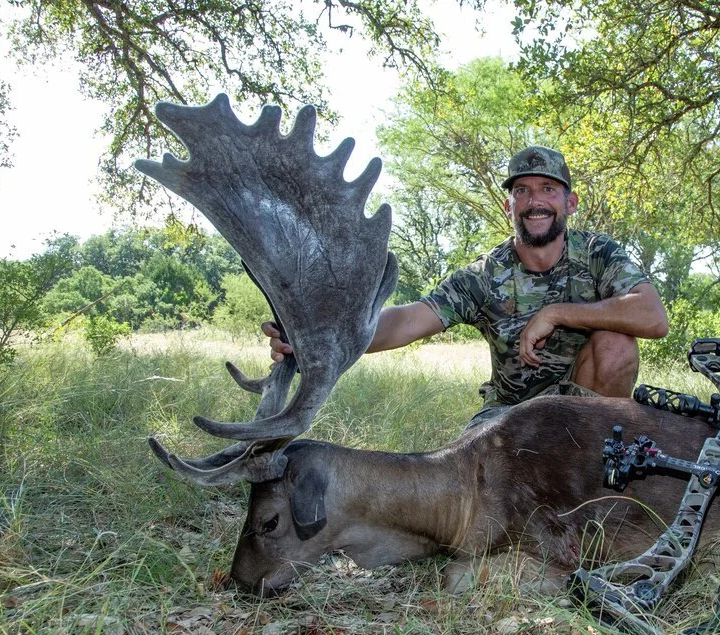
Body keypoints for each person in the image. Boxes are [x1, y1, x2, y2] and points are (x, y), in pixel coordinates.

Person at [265, 145, 668, 428]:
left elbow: (652, 316)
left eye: (548, 189)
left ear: (571, 202)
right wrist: (317, 335)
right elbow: (408, 321)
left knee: (616, 343)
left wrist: (556, 313)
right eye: (522, 191)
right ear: (509, 206)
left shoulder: (598, 253)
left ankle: (592, 473)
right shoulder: (483, 275)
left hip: (582, 412)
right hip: (511, 413)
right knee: (468, 484)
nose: (535, 201)